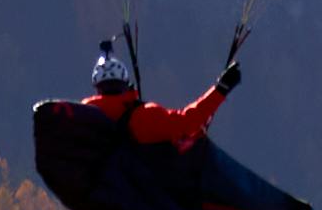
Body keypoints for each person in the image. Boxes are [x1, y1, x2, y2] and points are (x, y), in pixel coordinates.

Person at [80, 24, 241, 150]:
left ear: (97, 88)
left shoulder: (83, 115)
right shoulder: (143, 117)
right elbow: (188, 122)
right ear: (126, 84)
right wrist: (221, 89)